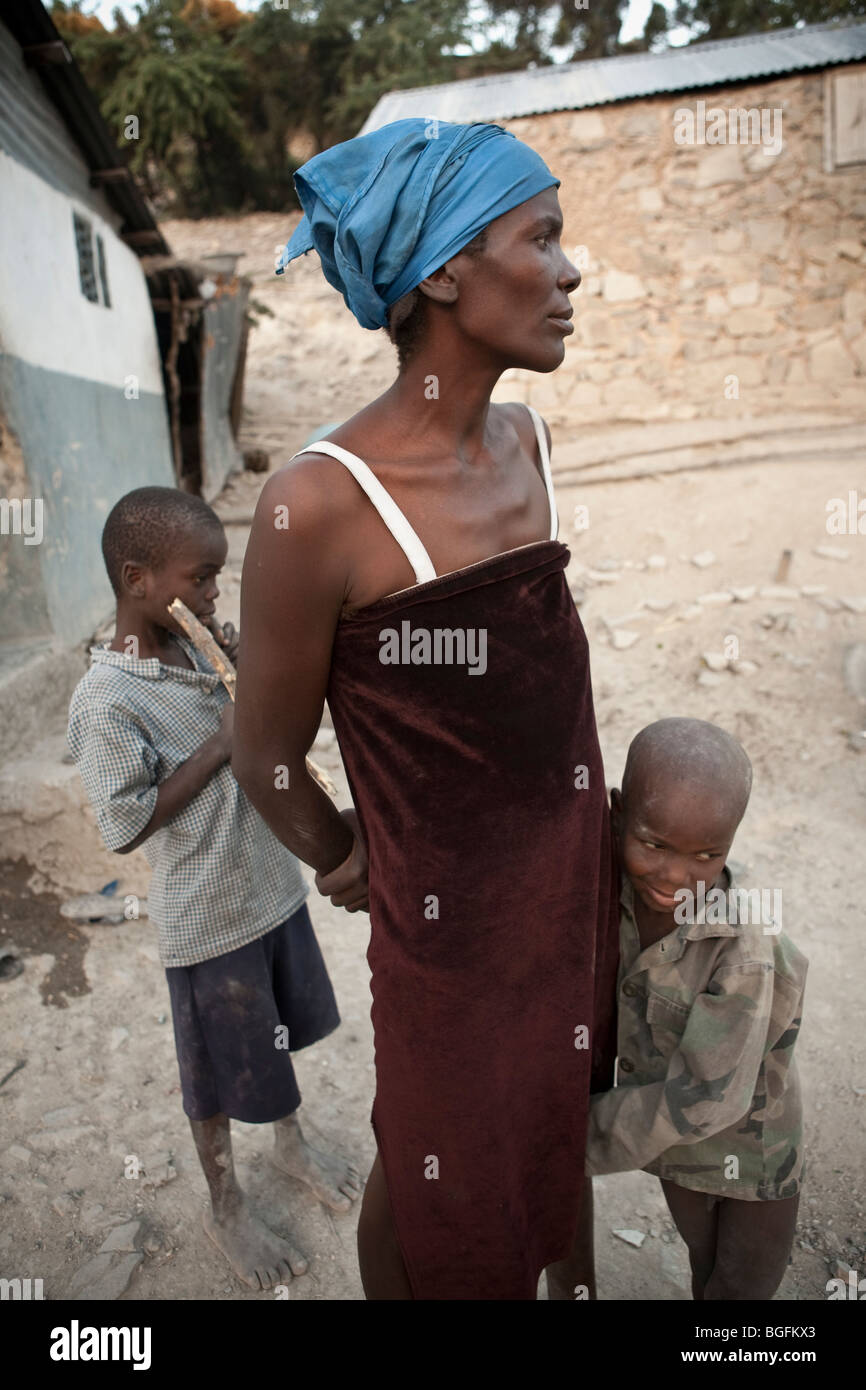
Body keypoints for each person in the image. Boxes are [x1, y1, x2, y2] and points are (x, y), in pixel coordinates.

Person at [232, 118, 620, 1300]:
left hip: (566, 880)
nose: (568, 271)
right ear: (446, 267)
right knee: (436, 1156)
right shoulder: (322, 504)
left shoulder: (528, 443)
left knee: (550, 1118)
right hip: (446, 934)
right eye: (539, 239)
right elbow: (265, 752)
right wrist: (349, 851)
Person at [67, 487, 361, 1293]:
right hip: (207, 920)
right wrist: (221, 745)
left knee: (276, 1035)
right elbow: (123, 825)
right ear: (137, 579)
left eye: (216, 579)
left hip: (268, 888)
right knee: (215, 1074)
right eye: (200, 580)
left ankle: (292, 1143)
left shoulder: (197, 655)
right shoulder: (107, 701)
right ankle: (224, 1201)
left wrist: (241, 675)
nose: (211, 595)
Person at [585, 717, 807, 1301]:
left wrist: (572, 1139)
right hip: (674, 1144)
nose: (676, 876)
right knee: (701, 1263)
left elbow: (706, 1099)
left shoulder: (743, 955)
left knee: (738, 1288)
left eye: (707, 855)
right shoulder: (610, 897)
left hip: (754, 1150)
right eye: (654, 845)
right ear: (617, 815)